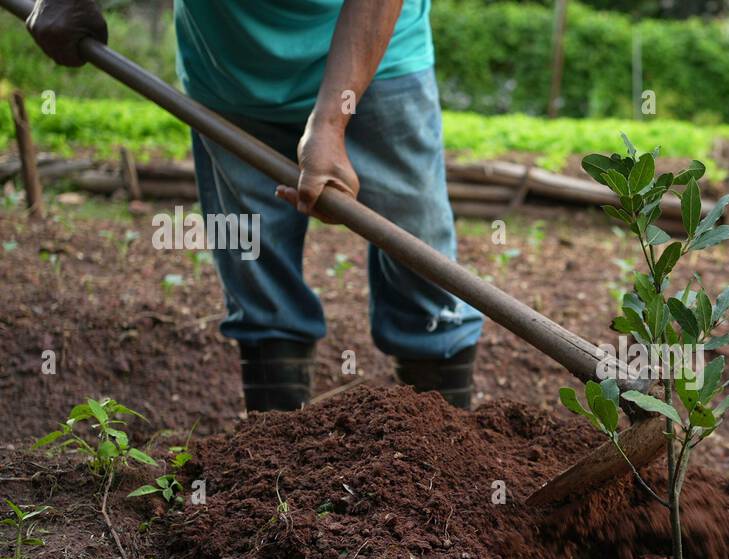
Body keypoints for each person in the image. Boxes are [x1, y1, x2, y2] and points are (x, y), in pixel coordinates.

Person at [25, 0, 484, 410]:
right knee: (254, 260)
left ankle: (441, 453)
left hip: (380, 63)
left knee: (421, 264)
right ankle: (274, 464)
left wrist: (329, 125)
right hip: (229, 71)